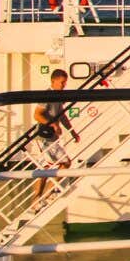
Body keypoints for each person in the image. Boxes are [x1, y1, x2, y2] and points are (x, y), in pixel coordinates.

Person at [30, 68, 79, 205]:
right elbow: (37, 114)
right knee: (45, 168)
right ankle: (37, 199)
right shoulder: (47, 96)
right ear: (53, 81)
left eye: (65, 83)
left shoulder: (59, 97)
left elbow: (62, 115)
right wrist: (53, 125)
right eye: (62, 83)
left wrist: (72, 131)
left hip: (52, 139)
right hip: (43, 137)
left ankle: (46, 194)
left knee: (65, 163)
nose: (64, 86)